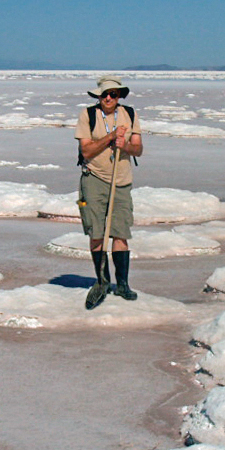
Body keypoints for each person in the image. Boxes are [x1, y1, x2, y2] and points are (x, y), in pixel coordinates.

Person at [75, 75, 143, 309]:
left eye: (113, 94)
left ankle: (122, 284)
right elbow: (86, 151)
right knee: (97, 232)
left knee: (120, 233)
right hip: (94, 179)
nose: (108, 98)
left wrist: (126, 146)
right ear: (98, 96)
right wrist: (111, 137)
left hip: (121, 180)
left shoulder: (130, 114)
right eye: (104, 94)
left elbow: (139, 149)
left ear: (119, 95)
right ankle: (102, 280)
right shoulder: (88, 115)